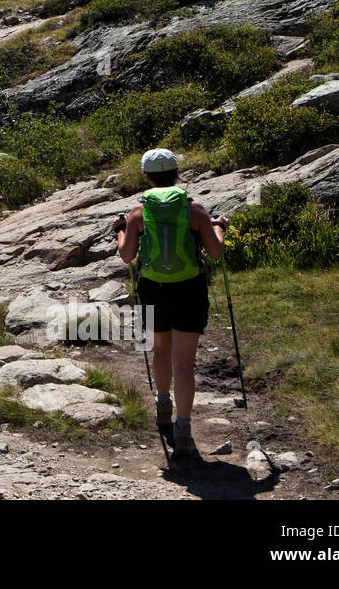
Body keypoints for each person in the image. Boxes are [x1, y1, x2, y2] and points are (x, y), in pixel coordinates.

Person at [112, 148, 228, 459]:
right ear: (176, 173)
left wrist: (121, 231)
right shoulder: (195, 210)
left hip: (153, 288)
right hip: (189, 288)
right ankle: (184, 428)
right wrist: (218, 227)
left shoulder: (138, 213)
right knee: (184, 363)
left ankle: (163, 405)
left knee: (160, 349)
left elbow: (127, 256)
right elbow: (216, 253)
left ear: (147, 176)